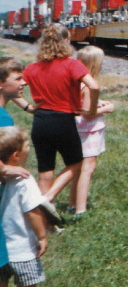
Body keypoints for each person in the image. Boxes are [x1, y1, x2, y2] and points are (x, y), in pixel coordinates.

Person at [22, 24, 99, 202]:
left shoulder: (32, 68)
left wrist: (27, 107)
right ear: (66, 41)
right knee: (76, 163)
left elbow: (15, 89)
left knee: (45, 170)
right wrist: (92, 109)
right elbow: (94, 86)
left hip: (40, 121)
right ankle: (47, 198)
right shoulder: (72, 65)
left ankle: (46, 220)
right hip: (63, 120)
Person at [0, 128, 48, 287]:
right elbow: (32, 212)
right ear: (16, 155)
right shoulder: (25, 180)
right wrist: (42, 236)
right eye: (28, 145)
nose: (30, 147)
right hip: (24, 251)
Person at [67, 46, 113, 216]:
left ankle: (72, 204)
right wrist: (107, 108)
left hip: (76, 128)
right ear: (95, 65)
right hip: (89, 131)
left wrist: (99, 102)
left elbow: (80, 106)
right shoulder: (89, 85)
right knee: (88, 168)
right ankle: (81, 209)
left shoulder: (76, 83)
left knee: (78, 168)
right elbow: (87, 112)